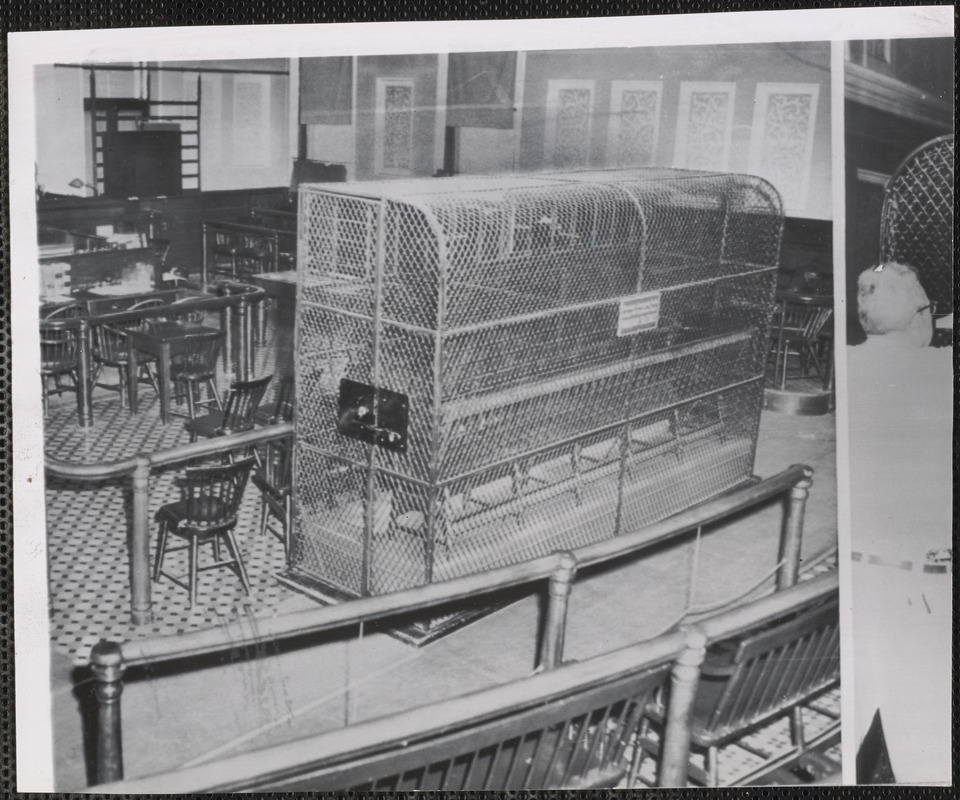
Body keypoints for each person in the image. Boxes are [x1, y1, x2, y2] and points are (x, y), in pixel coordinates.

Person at [847, 262, 952, 784]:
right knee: (928, 752)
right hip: (921, 591)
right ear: (920, 318)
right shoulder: (941, 374)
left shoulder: (847, 366)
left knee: (852, 728)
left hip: (852, 583)